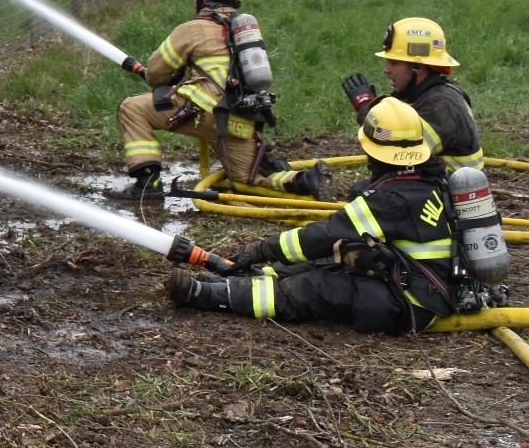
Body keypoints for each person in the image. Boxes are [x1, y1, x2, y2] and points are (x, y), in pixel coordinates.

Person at [167, 97, 458, 333]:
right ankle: (244, 278)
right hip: (415, 285)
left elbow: (326, 234)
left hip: (411, 304)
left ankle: (212, 297)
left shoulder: (392, 199)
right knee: (327, 261)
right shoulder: (425, 180)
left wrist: (262, 249)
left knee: (312, 287)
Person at [109, 0, 325, 201]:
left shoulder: (192, 29)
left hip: (203, 112)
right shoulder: (242, 31)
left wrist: (168, 78)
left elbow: (156, 74)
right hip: (241, 120)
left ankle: (148, 182)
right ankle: (303, 180)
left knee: (132, 108)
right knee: (248, 178)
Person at [341, 17, 483, 171]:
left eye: (394, 63)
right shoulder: (417, 94)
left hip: (446, 191)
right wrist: (372, 110)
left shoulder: (440, 105)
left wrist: (366, 110)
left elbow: (400, 154)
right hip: (433, 184)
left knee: (365, 191)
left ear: (419, 67)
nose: (386, 70)